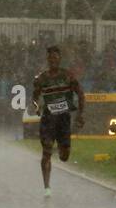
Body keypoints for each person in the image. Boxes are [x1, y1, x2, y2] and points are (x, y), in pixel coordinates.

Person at [31, 45, 85, 197]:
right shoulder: (41, 78)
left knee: (65, 156)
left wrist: (80, 114)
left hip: (63, 119)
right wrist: (36, 107)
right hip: (48, 119)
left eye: (55, 58)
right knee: (46, 151)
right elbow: (34, 97)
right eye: (50, 58)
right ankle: (47, 187)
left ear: (59, 59)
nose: (53, 60)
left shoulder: (67, 76)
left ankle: (59, 149)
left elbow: (80, 93)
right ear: (47, 60)